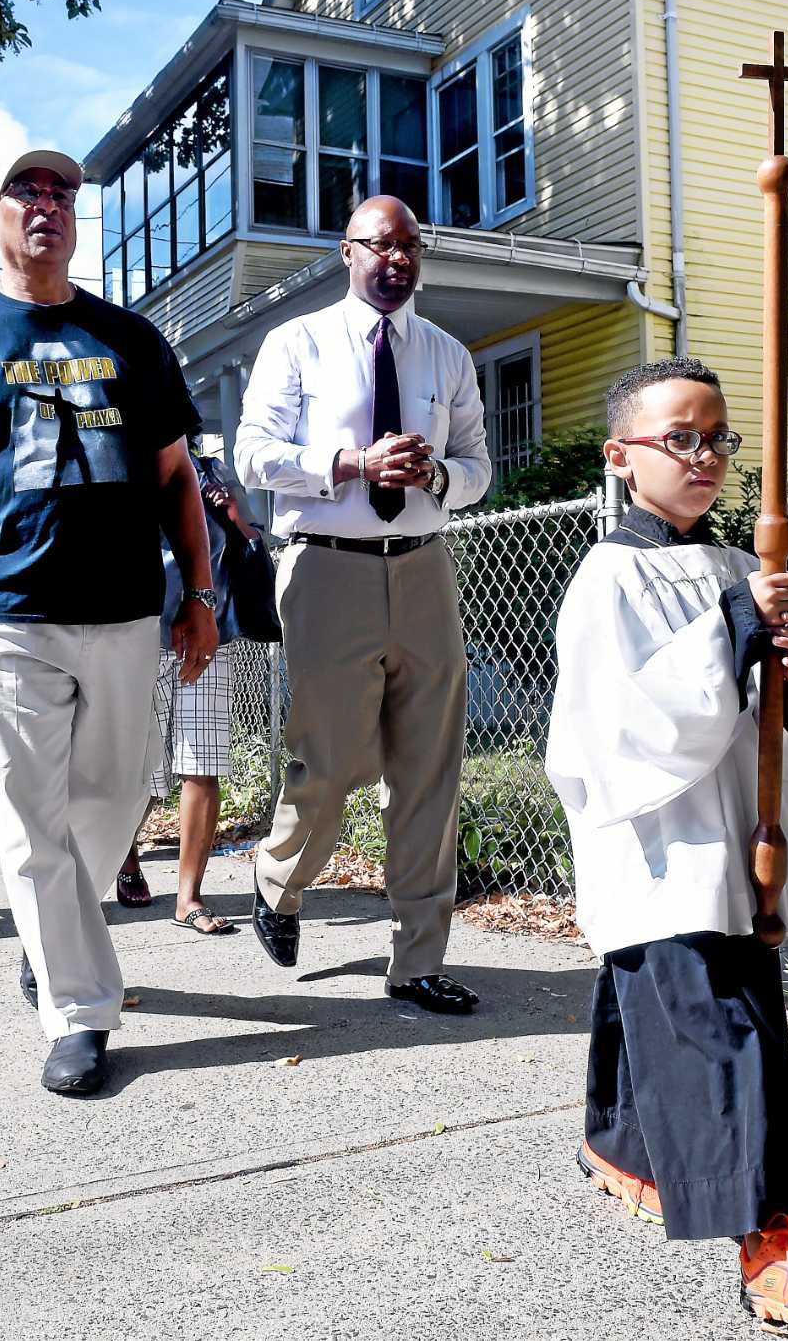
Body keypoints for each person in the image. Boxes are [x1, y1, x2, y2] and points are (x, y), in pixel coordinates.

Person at [543, 358, 788, 1329]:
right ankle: (772, 1232)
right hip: (658, 854)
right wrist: (731, 632)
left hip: (733, 837)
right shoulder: (604, 579)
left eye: (718, 438)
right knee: (713, 1032)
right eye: (678, 438)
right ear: (621, 456)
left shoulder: (749, 570)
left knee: (673, 1010)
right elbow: (625, 731)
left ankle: (621, 1144)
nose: (703, 456)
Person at [0, 149, 217, 1098]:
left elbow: (174, 479)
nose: (48, 206)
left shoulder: (134, 339)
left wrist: (199, 595)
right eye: (25, 193)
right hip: (5, 615)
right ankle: (79, 1012)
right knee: (33, 822)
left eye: (63, 194)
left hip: (122, 612)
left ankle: (50, 935)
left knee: (114, 800)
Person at [232, 194, 490, 1014]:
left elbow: (479, 462)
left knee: (428, 772)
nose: (397, 259)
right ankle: (278, 880)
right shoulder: (296, 342)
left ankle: (417, 959)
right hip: (327, 570)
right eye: (380, 245)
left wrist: (439, 477)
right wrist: (350, 463)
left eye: (410, 246)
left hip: (424, 567)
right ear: (348, 253)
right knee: (331, 763)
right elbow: (253, 457)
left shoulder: (447, 354)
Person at [116, 445, 261, 934]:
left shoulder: (214, 470)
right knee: (133, 769)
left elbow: (249, 541)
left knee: (204, 763)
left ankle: (189, 896)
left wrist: (236, 513)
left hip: (209, 635)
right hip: (138, 633)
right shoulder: (123, 454)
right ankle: (124, 859)